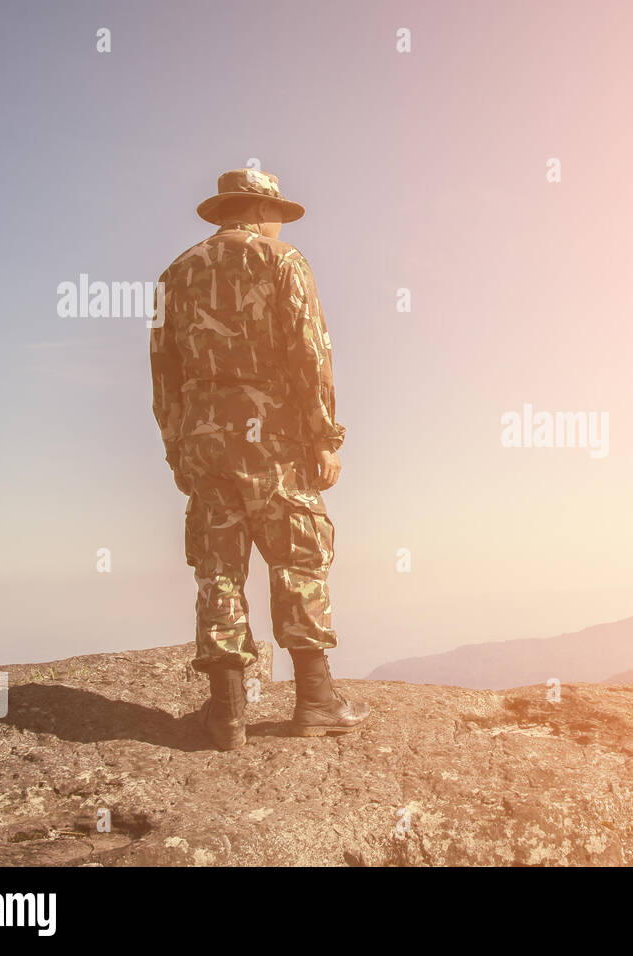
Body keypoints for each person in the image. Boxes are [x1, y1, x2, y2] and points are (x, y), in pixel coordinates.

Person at [150, 168, 370, 750]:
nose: (280, 226)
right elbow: (310, 353)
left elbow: (163, 369)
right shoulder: (283, 262)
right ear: (258, 210)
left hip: (204, 439)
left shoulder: (175, 274)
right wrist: (324, 437)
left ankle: (227, 714)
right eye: (278, 215)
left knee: (218, 565)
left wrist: (176, 447)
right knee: (298, 556)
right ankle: (315, 701)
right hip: (273, 436)